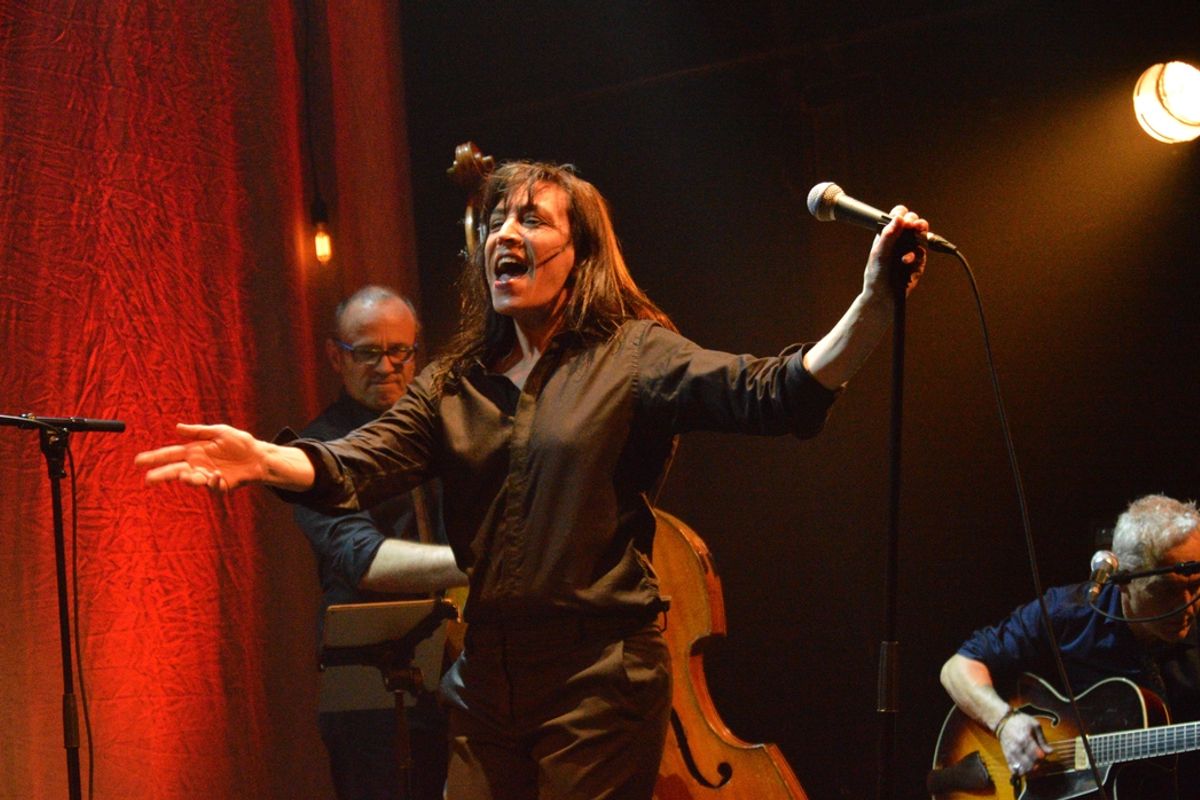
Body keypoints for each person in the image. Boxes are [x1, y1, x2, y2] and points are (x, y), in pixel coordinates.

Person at [136, 160, 929, 800]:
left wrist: (872, 304)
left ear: (578, 253)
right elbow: (358, 461)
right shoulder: (453, 383)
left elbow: (775, 391)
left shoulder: (635, 354)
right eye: (495, 222)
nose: (503, 234)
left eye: (531, 219)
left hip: (598, 678)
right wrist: (264, 459)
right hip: (485, 680)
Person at [295, 285, 466, 800]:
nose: (387, 366)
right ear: (335, 357)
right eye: (367, 352)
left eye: (400, 351)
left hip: (463, 678)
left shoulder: (448, 431)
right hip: (375, 693)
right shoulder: (316, 453)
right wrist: (482, 565)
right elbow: (363, 559)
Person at [940, 494, 1200, 797]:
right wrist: (1004, 723)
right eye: (1165, 590)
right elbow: (957, 668)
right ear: (1122, 580)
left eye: (1195, 586)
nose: (1188, 607)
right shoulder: (1069, 614)